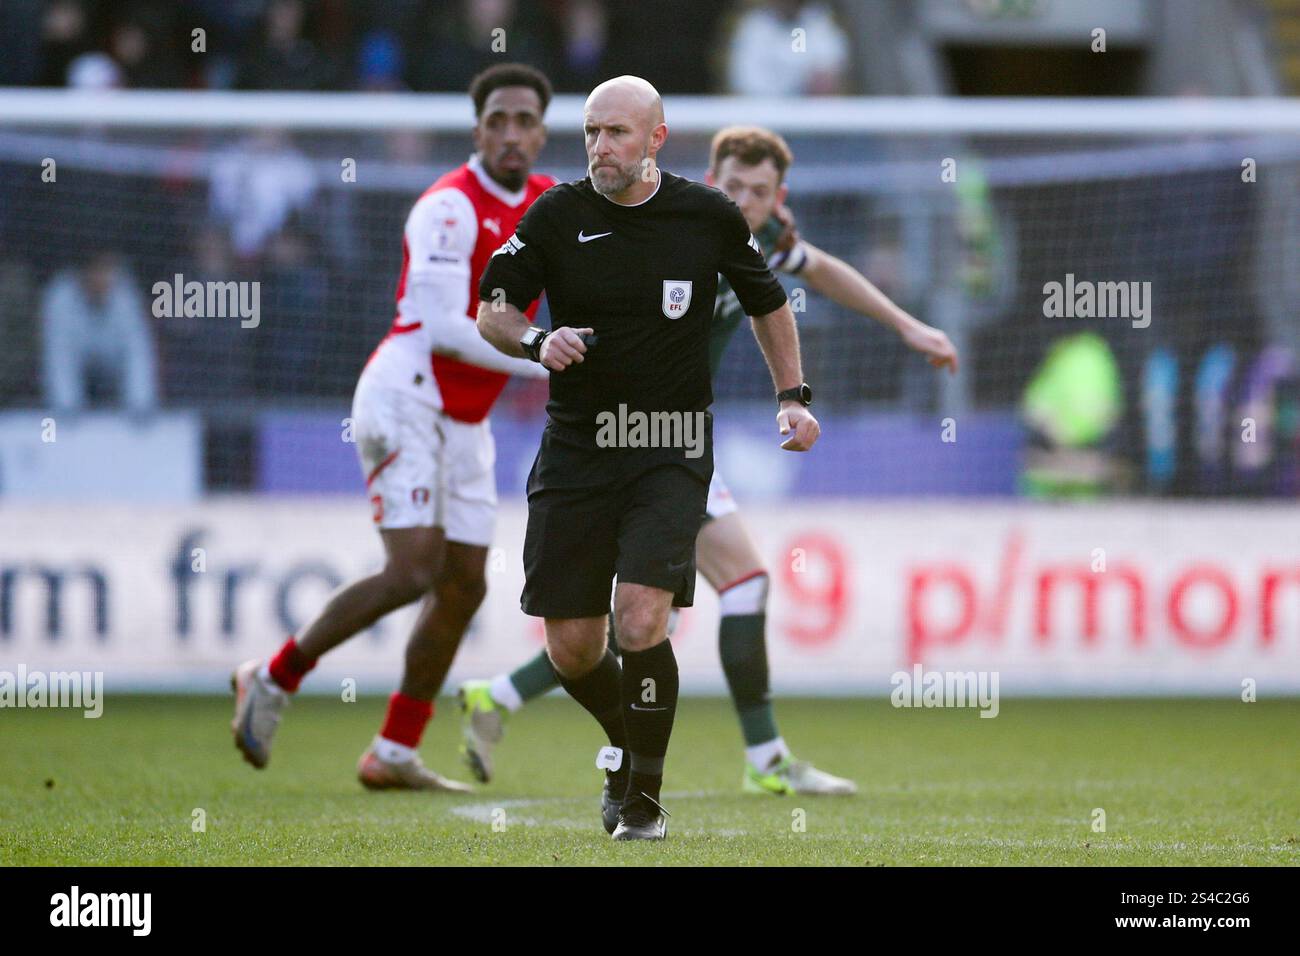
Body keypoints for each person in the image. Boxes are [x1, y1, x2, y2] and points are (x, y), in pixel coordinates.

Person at [460, 125, 958, 795]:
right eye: (735, 186)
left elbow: (815, 273)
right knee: (673, 608)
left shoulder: (751, 236)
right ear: (709, 173)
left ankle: (511, 701)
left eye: (759, 192)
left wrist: (906, 325)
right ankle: (748, 759)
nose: (745, 201)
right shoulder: (679, 223)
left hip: (677, 440)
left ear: (776, 197)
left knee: (651, 617)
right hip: (622, 439)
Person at [476, 77, 819, 840]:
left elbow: (768, 302)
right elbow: (492, 308)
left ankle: (643, 805)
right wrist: (535, 340)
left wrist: (793, 395)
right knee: (571, 648)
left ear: (657, 138)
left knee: (639, 619)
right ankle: (626, 747)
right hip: (577, 449)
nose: (601, 147)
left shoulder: (707, 215)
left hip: (670, 445)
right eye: (592, 132)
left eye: (618, 134)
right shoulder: (558, 215)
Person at [231, 63, 555, 792]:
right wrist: (548, 359)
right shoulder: (447, 206)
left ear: (541, 131)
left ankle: (394, 751)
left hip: (468, 419)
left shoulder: (548, 205)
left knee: (465, 584)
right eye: (497, 120)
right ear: (477, 130)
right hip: (405, 394)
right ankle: (273, 678)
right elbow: (444, 326)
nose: (510, 133)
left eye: (524, 120)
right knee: (414, 568)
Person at [42, 250, 157, 413]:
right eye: (98, 270)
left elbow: (138, 351)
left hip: (112, 374)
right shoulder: (61, 296)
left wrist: (141, 404)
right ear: (83, 272)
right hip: (80, 371)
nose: (104, 278)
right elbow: (59, 356)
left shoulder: (126, 294)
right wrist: (65, 407)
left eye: (109, 270)